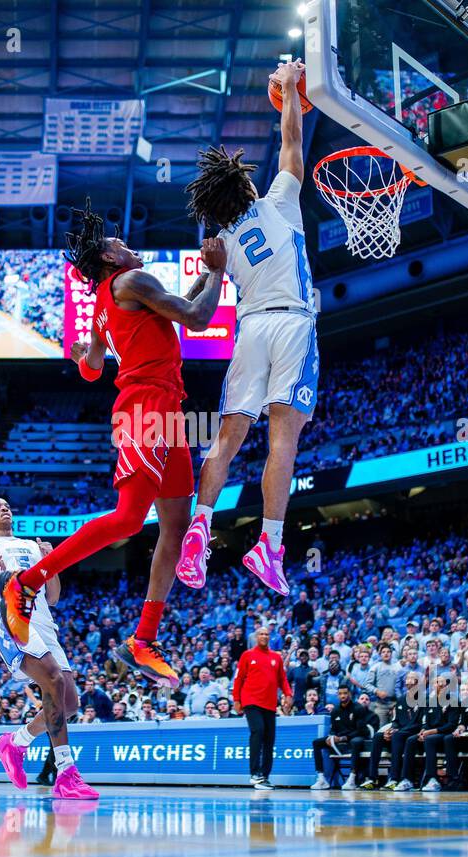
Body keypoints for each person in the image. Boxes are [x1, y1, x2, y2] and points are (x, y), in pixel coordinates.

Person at [0, 208, 226, 691]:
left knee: (177, 526)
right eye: (120, 242)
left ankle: (143, 639)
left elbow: (94, 368)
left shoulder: (110, 298)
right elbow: (198, 318)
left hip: (167, 409)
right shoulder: (132, 280)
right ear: (108, 255)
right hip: (145, 408)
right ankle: (27, 583)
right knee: (127, 519)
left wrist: (205, 273)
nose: (130, 245)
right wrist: (220, 271)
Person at [176, 57, 317, 597]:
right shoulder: (279, 201)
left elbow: (195, 301)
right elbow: (291, 142)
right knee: (284, 437)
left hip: (250, 330)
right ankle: (269, 544)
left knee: (228, 437)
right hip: (293, 326)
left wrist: (209, 271)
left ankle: (200, 527)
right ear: (244, 184)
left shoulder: (223, 246)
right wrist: (287, 89)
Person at [0, 497, 98, 800]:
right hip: (10, 621)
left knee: (69, 703)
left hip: (45, 623)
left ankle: (15, 742)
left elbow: (54, 597)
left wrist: (52, 563)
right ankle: (66, 774)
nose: (5, 507)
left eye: (7, 504)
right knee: (53, 680)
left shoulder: (32, 546)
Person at [232, 625, 292, 789]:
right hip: (251, 701)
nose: (264, 636)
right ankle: (254, 773)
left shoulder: (276, 658)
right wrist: (237, 700)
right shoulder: (247, 655)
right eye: (261, 634)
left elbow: (283, 679)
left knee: (269, 739)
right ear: (256, 637)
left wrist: (288, 694)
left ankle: (264, 776)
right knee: (257, 731)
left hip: (270, 704)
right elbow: (238, 679)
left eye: (267, 634)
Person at [310, 686, 373, 790]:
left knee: (355, 742)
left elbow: (362, 730)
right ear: (337, 695)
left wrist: (344, 738)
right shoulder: (335, 710)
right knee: (316, 742)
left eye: (345, 693)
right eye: (340, 694)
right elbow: (334, 729)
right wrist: (331, 737)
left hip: (358, 736)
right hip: (340, 739)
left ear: (350, 694)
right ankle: (321, 779)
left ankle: (352, 778)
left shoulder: (358, 708)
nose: (343, 696)